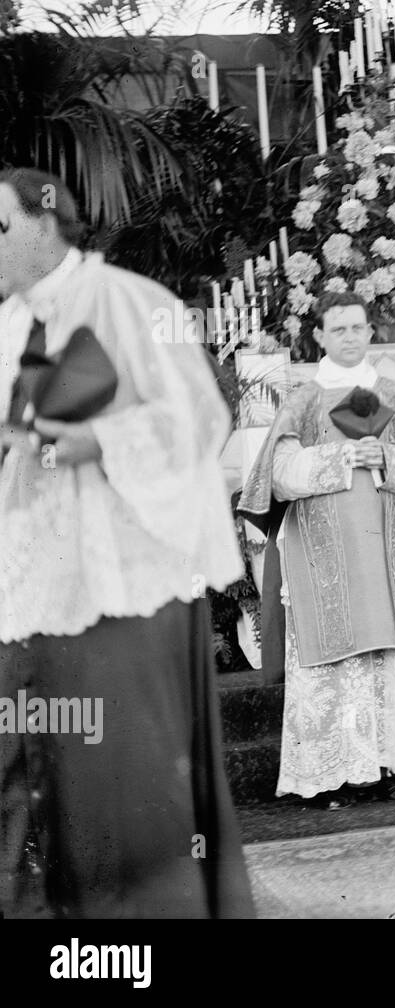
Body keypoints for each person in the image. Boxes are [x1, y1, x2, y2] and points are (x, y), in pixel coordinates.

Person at [0, 168, 254, 917]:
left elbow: (199, 423)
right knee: (25, 774)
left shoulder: (134, 305)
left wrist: (96, 441)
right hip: (25, 586)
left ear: (44, 224)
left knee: (122, 788)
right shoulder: (6, 325)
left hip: (121, 590)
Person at [239, 291, 395, 808]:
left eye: (358, 328)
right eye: (338, 329)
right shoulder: (303, 400)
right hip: (324, 557)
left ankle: (390, 765)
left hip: (391, 555)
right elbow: (278, 475)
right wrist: (342, 456)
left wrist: (388, 457)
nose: (349, 337)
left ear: (369, 333)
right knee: (334, 661)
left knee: (388, 654)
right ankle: (330, 776)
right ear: (318, 336)